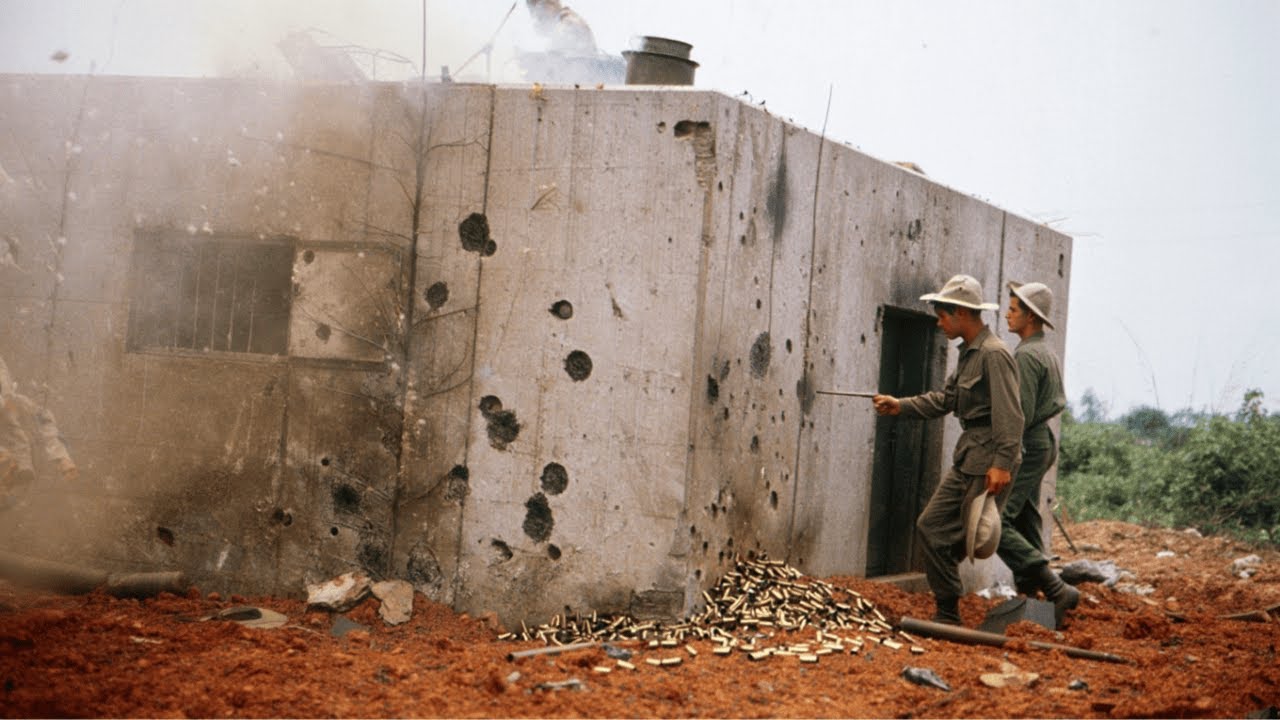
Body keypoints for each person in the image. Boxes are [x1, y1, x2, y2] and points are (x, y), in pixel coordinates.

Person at [873, 274, 1023, 625]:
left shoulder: (994, 355)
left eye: (942, 316)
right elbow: (947, 399)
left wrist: (1002, 464)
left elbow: (1011, 417)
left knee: (958, 535)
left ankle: (947, 611)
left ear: (960, 312)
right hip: (969, 457)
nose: (939, 323)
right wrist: (901, 405)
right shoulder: (969, 354)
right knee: (932, 527)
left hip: (987, 461)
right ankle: (947, 609)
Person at [998, 281, 1079, 622]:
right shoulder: (1044, 351)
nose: (1007, 314)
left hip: (1028, 444)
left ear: (1030, 316)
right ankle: (1033, 601)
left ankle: (1056, 589)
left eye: (1014, 310)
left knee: (996, 523)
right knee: (1026, 517)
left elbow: (1021, 414)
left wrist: (1003, 457)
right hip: (1040, 442)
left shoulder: (1027, 356)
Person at [0, 354, 77, 510]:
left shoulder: (15, 403)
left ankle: (10, 471)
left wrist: (61, 458)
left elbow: (43, 420)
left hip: (18, 466)